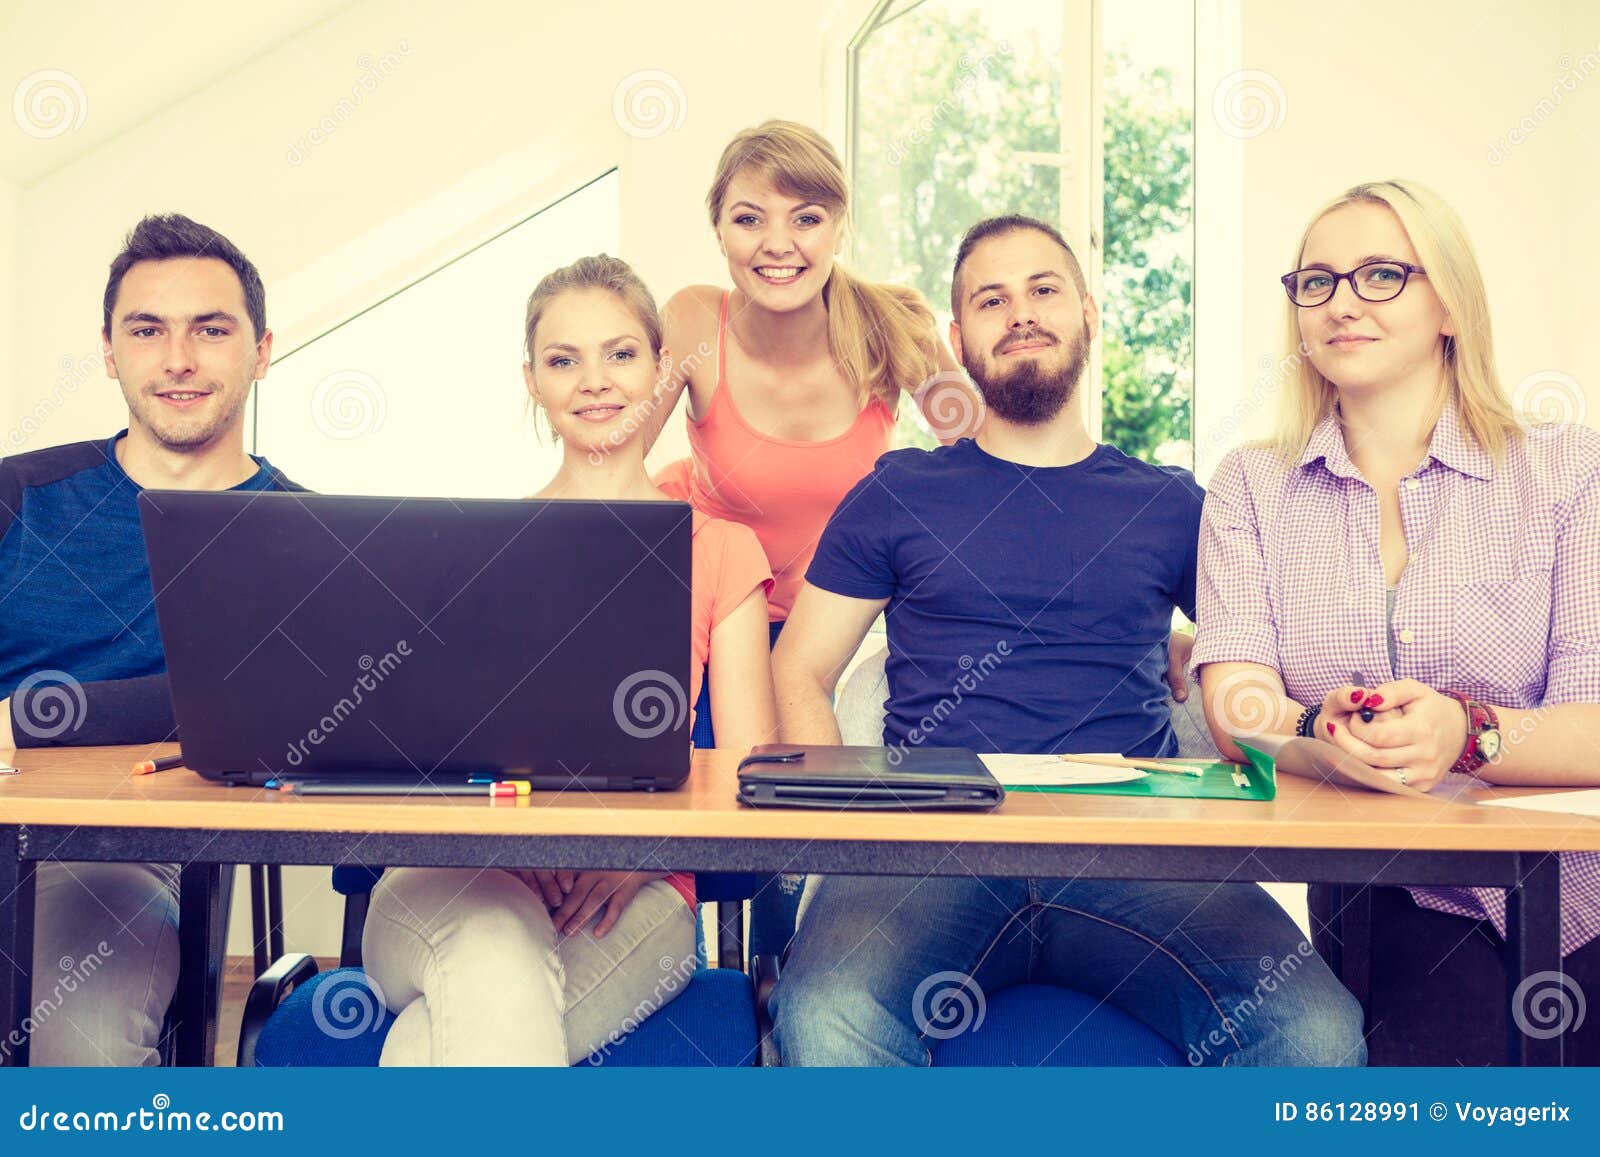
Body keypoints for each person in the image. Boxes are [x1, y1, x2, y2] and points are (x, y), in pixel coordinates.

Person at [768, 214, 1366, 1067]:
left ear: (1088, 312)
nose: (1021, 312)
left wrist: (1203, 650)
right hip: (932, 850)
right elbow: (803, 663)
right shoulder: (900, 490)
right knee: (828, 1008)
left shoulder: (1171, 504)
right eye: (991, 298)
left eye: (1043, 290)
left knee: (1311, 1028)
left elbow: (1259, 656)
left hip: (1137, 848)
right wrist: (844, 833)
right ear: (957, 336)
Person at [1192, 179, 1600, 1064]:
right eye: (1317, 281)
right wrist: (1312, 728)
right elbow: (1237, 700)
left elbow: (1594, 726)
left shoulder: (1569, 469)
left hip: (1581, 891)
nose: (1342, 302)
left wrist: (1467, 731)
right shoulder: (1252, 483)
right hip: (1395, 897)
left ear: (1448, 301)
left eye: (1382, 275)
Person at [361, 255, 777, 1065]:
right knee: (488, 948)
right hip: (454, 878)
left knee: (436, 1038)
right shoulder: (468, 548)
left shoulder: (721, 549)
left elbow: (745, 774)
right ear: (532, 380)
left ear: (661, 367)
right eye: (564, 359)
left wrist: (636, 855)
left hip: (642, 895)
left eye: (621, 354)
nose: (596, 381)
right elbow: (426, 755)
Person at [0, 214, 303, 1064]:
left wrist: (23, 718)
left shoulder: (310, 540)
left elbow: (242, 704)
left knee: (82, 1040)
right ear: (108, 350)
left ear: (262, 348)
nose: (178, 358)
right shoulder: (19, 496)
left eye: (210, 330)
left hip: (102, 856)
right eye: (147, 330)